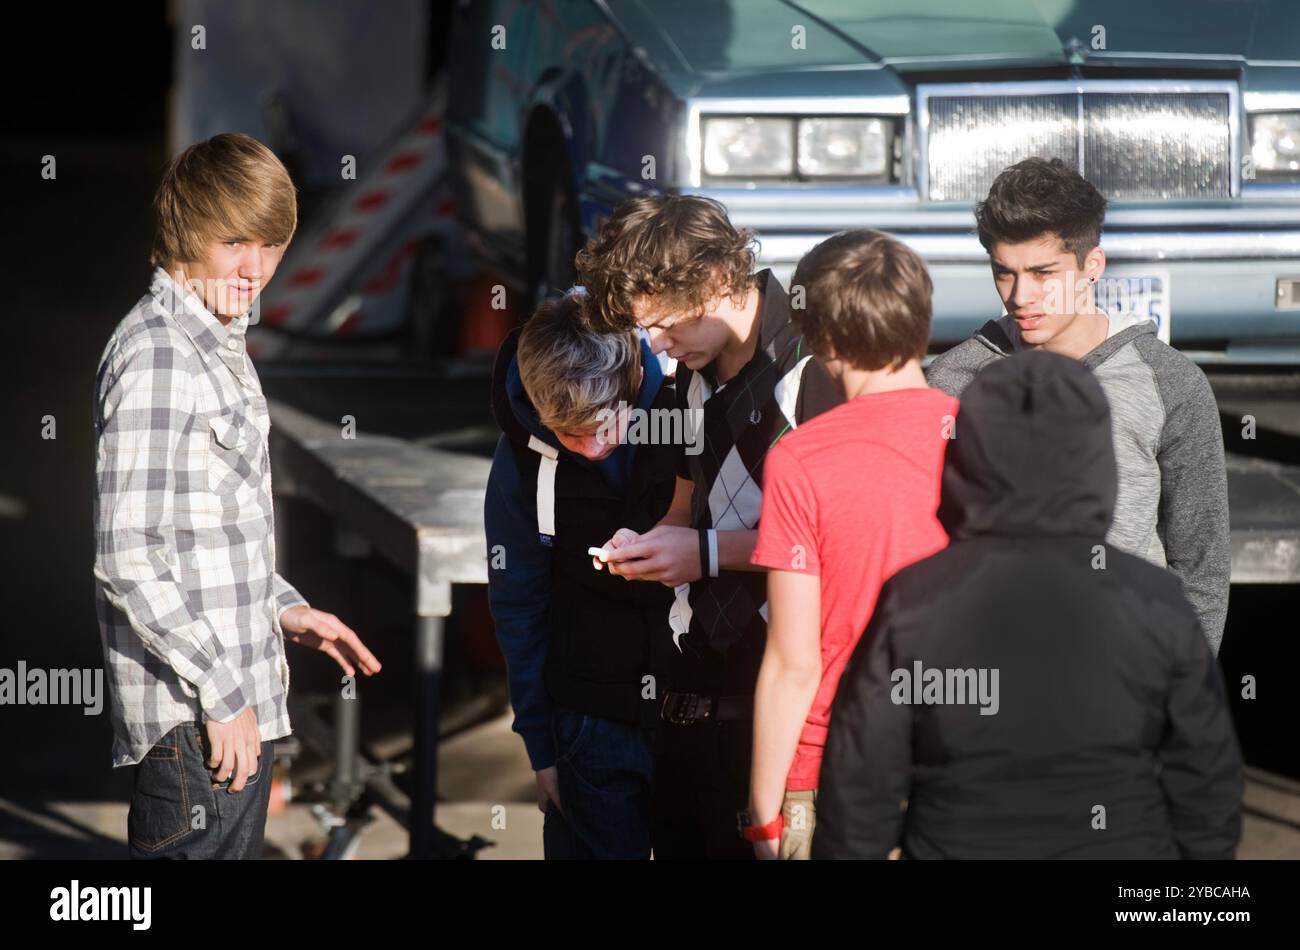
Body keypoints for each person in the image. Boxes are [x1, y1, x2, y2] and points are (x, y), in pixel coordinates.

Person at [815, 352, 1243, 860]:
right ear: (1095, 460)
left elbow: (860, 785)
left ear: (965, 457)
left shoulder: (916, 601)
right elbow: (1207, 784)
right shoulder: (1155, 601)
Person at [94, 133, 381, 859]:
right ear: (187, 234)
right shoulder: (160, 354)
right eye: (234, 243)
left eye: (272, 246)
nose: (255, 269)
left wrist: (283, 607)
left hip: (228, 713)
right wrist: (223, 697)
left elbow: (208, 530)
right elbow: (127, 554)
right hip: (198, 725)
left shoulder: (215, 339)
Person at [577, 195, 841, 858]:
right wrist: (655, 545)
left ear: (719, 279)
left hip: (790, 700)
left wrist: (706, 553)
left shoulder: (817, 368)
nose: (659, 350)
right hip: (693, 689)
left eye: (666, 325)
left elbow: (836, 540)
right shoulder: (685, 381)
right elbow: (685, 500)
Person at [926, 157, 1230, 653]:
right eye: (1004, 273)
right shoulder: (953, 380)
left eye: (1044, 273)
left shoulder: (1171, 382)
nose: (1021, 296)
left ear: (1093, 267)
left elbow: (1201, 563)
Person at [747, 230, 958, 859]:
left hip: (836, 761)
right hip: (963, 752)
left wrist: (761, 812)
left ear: (826, 344)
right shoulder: (980, 436)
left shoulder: (800, 459)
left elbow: (795, 661)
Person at [485, 290, 678, 859]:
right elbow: (517, 606)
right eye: (569, 435)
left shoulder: (689, 404)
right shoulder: (521, 463)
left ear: (637, 372)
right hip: (586, 728)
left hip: (693, 715)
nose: (594, 450)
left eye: (607, 428)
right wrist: (541, 747)